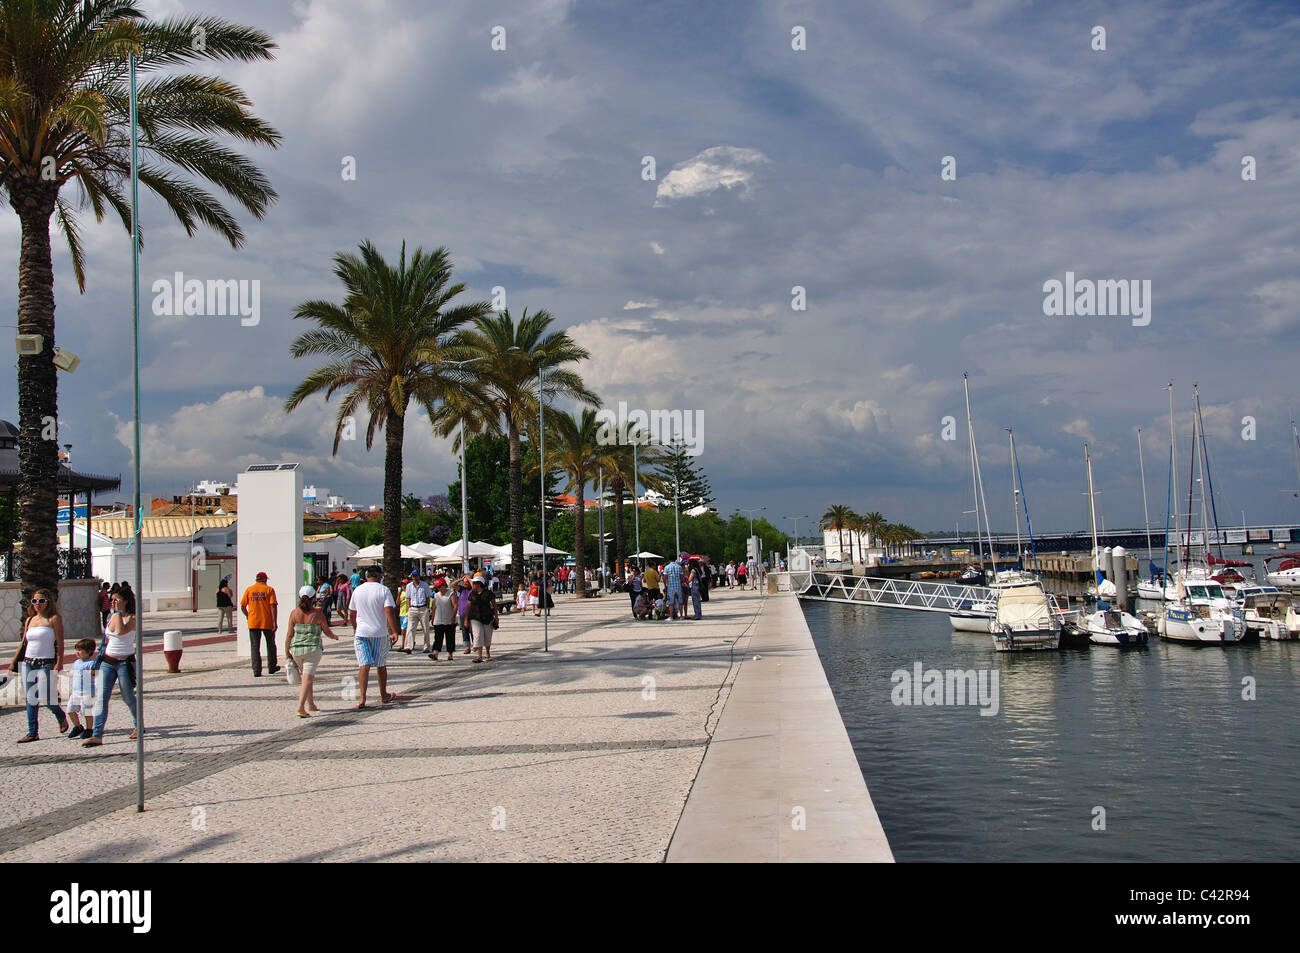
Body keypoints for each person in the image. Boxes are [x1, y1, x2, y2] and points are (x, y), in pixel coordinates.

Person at [84, 586, 140, 747]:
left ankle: (138, 725)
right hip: (108, 661)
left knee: (128, 696)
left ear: (125, 601)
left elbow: (121, 632)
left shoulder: (132, 618)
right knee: (102, 697)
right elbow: (107, 639)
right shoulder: (111, 616)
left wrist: (118, 613)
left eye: (117, 600)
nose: (114, 603)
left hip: (125, 662)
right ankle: (97, 734)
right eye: (112, 600)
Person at [10, 588, 67, 743]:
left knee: (46, 696)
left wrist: (59, 662)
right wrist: (13, 662)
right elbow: (23, 643)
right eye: (34, 601)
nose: (37, 604)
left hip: (46, 663)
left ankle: (60, 715)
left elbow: (60, 642)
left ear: (48, 602)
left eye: (41, 601)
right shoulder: (30, 620)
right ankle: (32, 731)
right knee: (30, 698)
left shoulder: (54, 619)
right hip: (29, 662)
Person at [348, 565, 402, 708]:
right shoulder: (383, 590)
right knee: (380, 665)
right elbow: (389, 611)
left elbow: (352, 613)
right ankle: (383, 694)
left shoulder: (357, 590)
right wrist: (394, 631)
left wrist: (355, 627)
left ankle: (362, 698)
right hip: (379, 632)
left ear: (366, 575)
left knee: (364, 665)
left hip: (361, 633)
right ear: (380, 576)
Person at [287, 585, 340, 717]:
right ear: (313, 598)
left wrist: (287, 650)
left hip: (297, 650)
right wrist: (333, 636)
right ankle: (300, 707)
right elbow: (326, 631)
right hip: (312, 649)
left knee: (306, 677)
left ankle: (311, 704)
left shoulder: (294, 613)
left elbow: (289, 634)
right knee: (307, 679)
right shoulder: (317, 614)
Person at [240, 571, 280, 677]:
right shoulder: (269, 589)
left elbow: (242, 606)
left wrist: (248, 616)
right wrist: (275, 622)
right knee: (271, 644)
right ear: (265, 580)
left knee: (254, 647)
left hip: (253, 622)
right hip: (267, 621)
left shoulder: (249, 589)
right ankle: (272, 667)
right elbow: (273, 606)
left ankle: (256, 670)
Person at [65, 638, 98, 739]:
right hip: (76, 692)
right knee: (70, 710)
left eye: (80, 650)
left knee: (86, 711)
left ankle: (89, 729)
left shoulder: (91, 663)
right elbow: (72, 673)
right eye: (77, 650)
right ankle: (78, 726)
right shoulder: (76, 662)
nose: (77, 652)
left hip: (87, 692)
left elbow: (95, 674)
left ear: (88, 652)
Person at [467, 573, 499, 663]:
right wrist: (466, 618)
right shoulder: (472, 594)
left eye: (474, 583)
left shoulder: (488, 593)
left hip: (487, 616)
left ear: (479, 584)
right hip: (475, 617)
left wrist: (496, 617)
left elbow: (494, 606)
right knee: (478, 635)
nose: (472, 585)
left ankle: (488, 653)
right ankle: (479, 656)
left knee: (487, 636)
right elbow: (468, 606)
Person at [429, 577, 457, 660]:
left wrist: (453, 617)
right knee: (438, 637)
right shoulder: (436, 595)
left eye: (440, 586)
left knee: (450, 637)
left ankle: (450, 653)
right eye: (438, 587)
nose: (439, 588)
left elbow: (455, 606)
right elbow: (434, 607)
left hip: (449, 619)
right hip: (438, 619)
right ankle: (435, 653)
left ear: (444, 585)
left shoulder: (451, 594)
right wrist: (433, 618)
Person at [405, 571, 431, 654]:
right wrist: (409, 607)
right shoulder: (409, 586)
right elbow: (408, 598)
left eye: (416, 576)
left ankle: (426, 646)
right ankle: (408, 646)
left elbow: (428, 597)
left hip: (423, 608)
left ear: (419, 576)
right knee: (410, 628)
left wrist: (427, 607)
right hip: (413, 608)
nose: (414, 578)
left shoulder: (425, 585)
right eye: (413, 576)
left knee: (425, 628)